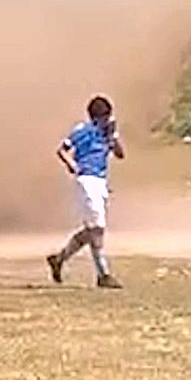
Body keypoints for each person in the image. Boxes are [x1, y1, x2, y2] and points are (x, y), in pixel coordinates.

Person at [46, 95, 126, 289]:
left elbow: (120, 155)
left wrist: (112, 137)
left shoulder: (107, 134)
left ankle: (59, 259)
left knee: (92, 230)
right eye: (105, 116)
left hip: (100, 182)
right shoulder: (82, 131)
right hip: (86, 181)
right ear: (97, 117)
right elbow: (62, 150)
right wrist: (71, 164)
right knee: (97, 229)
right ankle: (103, 274)